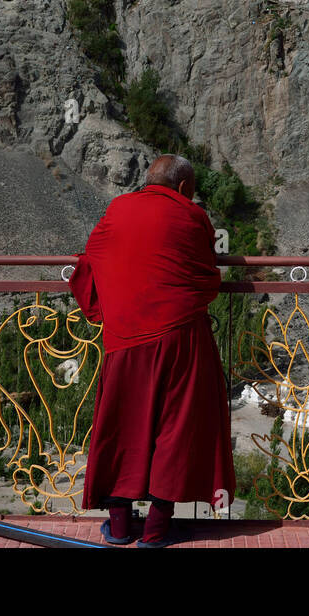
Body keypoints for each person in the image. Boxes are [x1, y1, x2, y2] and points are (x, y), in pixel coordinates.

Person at [69, 154, 235, 546]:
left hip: (124, 341)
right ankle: (158, 530)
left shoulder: (118, 208)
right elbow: (207, 277)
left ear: (148, 181)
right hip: (181, 340)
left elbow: (91, 262)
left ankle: (121, 528)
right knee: (176, 429)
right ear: (182, 188)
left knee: (121, 426)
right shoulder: (192, 216)